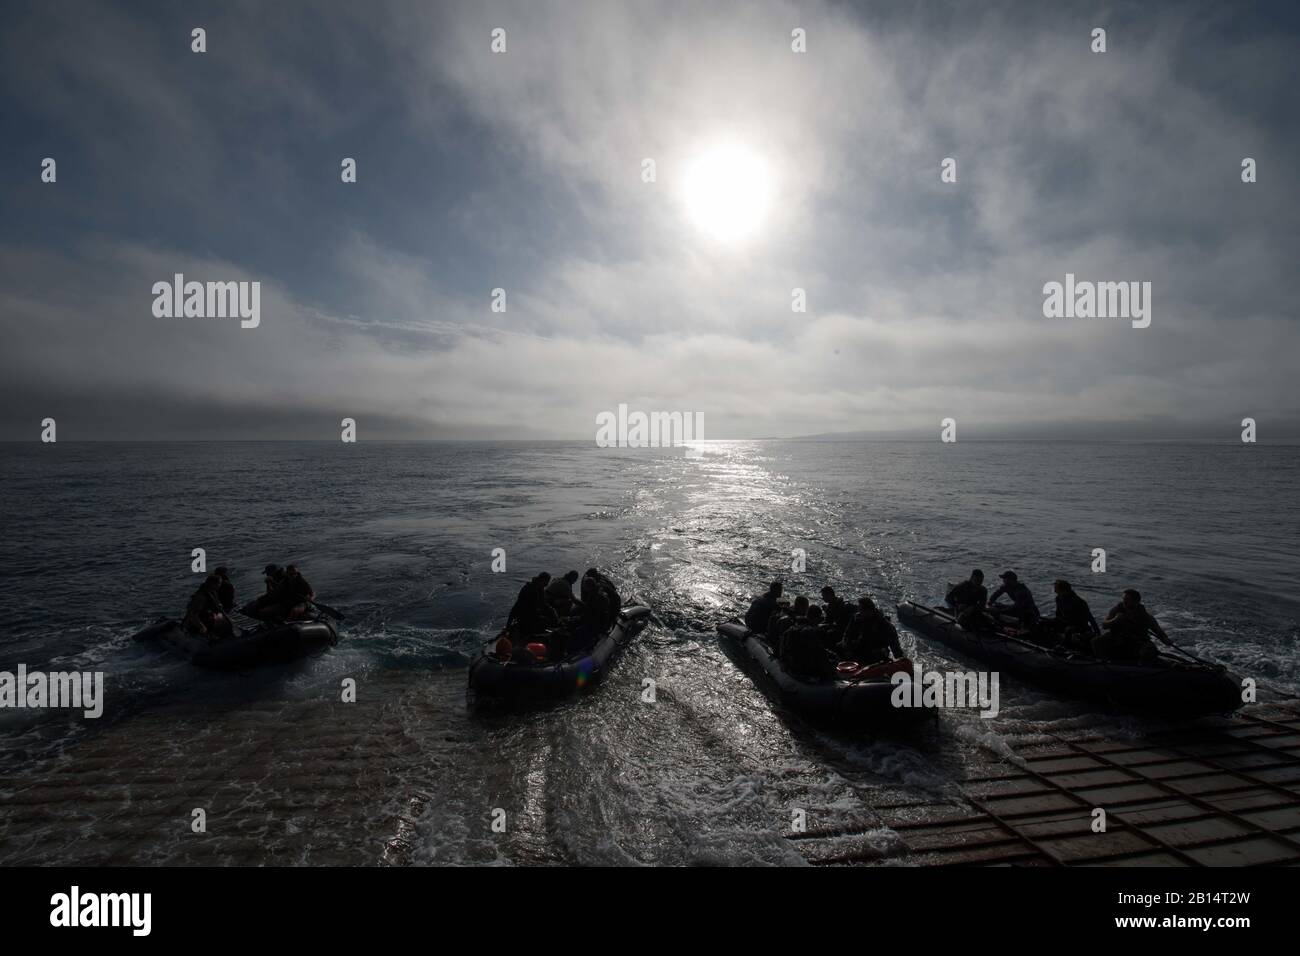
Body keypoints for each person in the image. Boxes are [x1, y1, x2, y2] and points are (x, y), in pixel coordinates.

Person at [1093, 589, 1167, 662]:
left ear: (1136, 601)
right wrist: (1115, 620)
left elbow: (1158, 630)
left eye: (1128, 599)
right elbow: (1104, 625)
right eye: (1124, 599)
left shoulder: (1144, 616)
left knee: (1148, 650)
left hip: (1137, 641)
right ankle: (1103, 663)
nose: (1124, 601)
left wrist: (1165, 639)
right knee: (1097, 641)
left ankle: (1141, 667)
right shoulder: (1116, 610)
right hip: (1117, 638)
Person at [840, 597, 904, 664]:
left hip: (876, 653)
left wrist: (900, 661)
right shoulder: (857, 618)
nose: (859, 612)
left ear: (869, 610)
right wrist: (846, 648)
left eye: (861, 610)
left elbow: (895, 646)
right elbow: (847, 634)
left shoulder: (884, 624)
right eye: (859, 609)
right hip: (860, 647)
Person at [780, 605, 834, 679]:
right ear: (815, 618)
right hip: (805, 669)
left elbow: (783, 647)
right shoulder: (810, 632)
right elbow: (820, 654)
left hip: (792, 663)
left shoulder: (792, 628)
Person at [1046, 580, 1099, 649]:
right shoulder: (1058, 598)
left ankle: (1065, 647)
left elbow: (1090, 618)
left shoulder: (1078, 602)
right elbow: (1058, 614)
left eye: (1056, 588)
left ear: (1063, 590)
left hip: (1079, 625)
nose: (1054, 590)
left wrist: (1097, 633)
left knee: (1069, 630)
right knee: (1046, 622)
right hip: (1065, 621)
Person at [506, 572, 557, 637]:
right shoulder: (528, 589)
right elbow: (516, 607)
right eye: (546, 582)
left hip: (532, 615)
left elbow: (543, 604)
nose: (547, 584)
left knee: (548, 616)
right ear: (542, 580)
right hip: (526, 618)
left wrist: (551, 610)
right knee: (545, 621)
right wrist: (508, 625)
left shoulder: (540, 588)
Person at [183, 575, 232, 639]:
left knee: (226, 620)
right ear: (213, 584)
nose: (220, 585)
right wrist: (202, 627)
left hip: (206, 616)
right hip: (198, 622)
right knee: (225, 624)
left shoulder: (210, 591)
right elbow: (192, 614)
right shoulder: (201, 597)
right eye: (219, 583)